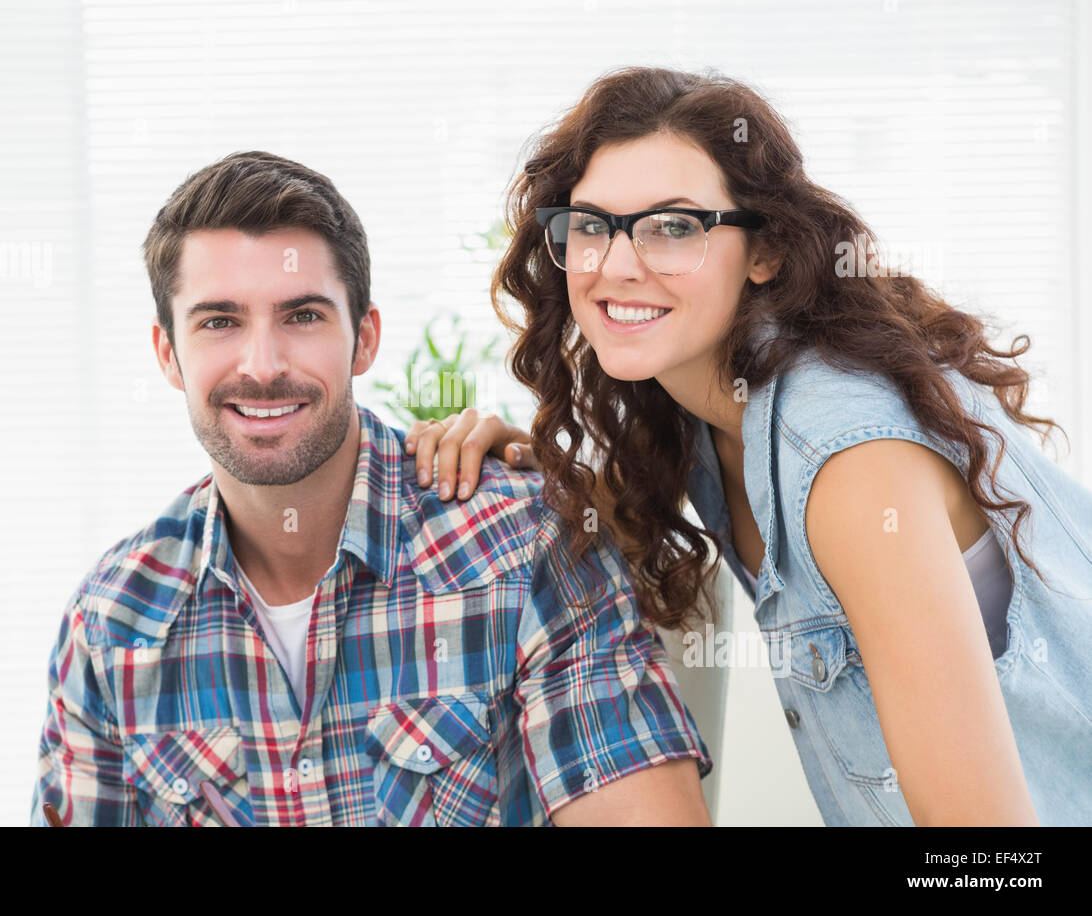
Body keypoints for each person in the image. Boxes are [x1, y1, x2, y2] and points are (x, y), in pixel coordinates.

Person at [407, 66, 1092, 826]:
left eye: (674, 227)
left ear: (764, 252)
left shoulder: (850, 469)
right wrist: (536, 471)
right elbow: (632, 517)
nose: (617, 265)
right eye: (593, 224)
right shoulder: (708, 405)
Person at [28, 149, 713, 826]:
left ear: (363, 339)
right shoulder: (113, 623)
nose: (263, 366)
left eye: (302, 316)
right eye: (220, 322)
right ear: (168, 355)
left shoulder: (523, 552)